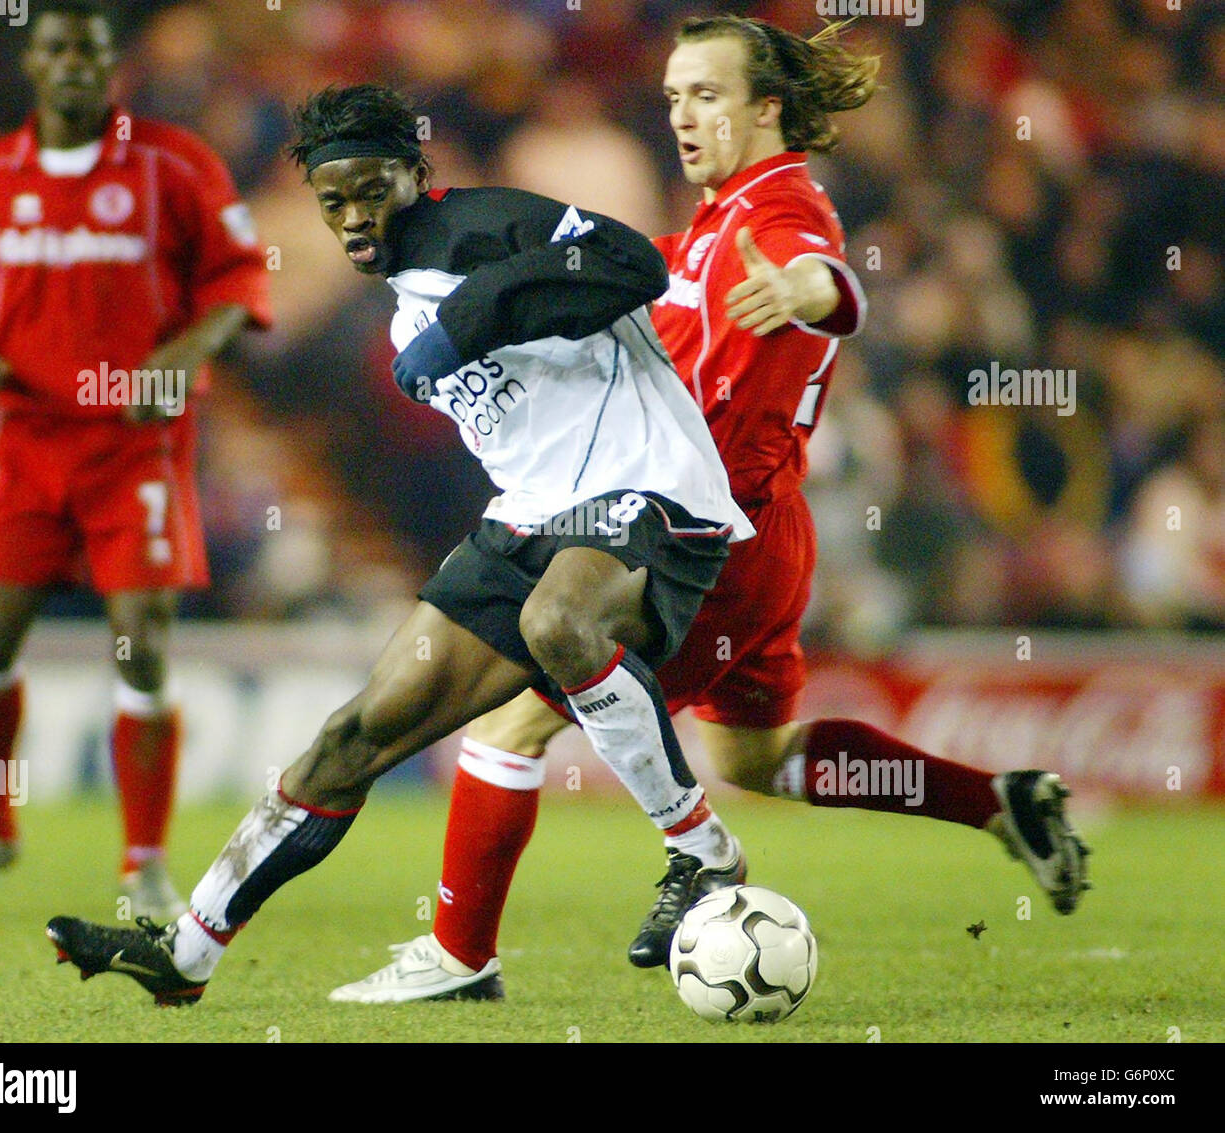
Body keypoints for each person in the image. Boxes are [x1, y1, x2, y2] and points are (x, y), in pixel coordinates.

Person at [334, 15, 1093, 1005]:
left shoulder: (777, 211)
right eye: (673, 98)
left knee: (506, 724)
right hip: (755, 531)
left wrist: (807, 290)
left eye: (707, 95)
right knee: (757, 755)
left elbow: (824, 278)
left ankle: (459, 954)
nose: (684, 117)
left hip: (705, 534)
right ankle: (1000, 802)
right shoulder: (701, 226)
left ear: (765, 107)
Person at [45, 82, 758, 1005]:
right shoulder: (399, 305)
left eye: (372, 189)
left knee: (558, 621)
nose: (353, 217)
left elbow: (630, 264)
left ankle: (701, 852)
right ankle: (188, 951)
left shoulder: (483, 225)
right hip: (532, 516)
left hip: (650, 492)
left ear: (416, 175)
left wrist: (471, 321)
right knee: (352, 735)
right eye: (333, 201)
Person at [0, 0, 272, 919]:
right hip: (27, 449)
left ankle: (143, 860)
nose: (75, 65)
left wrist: (184, 355)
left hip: (137, 452)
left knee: (144, 642)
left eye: (90, 50)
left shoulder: (173, 165)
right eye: (57, 50)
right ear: (35, 64)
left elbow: (239, 277)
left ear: (110, 64)